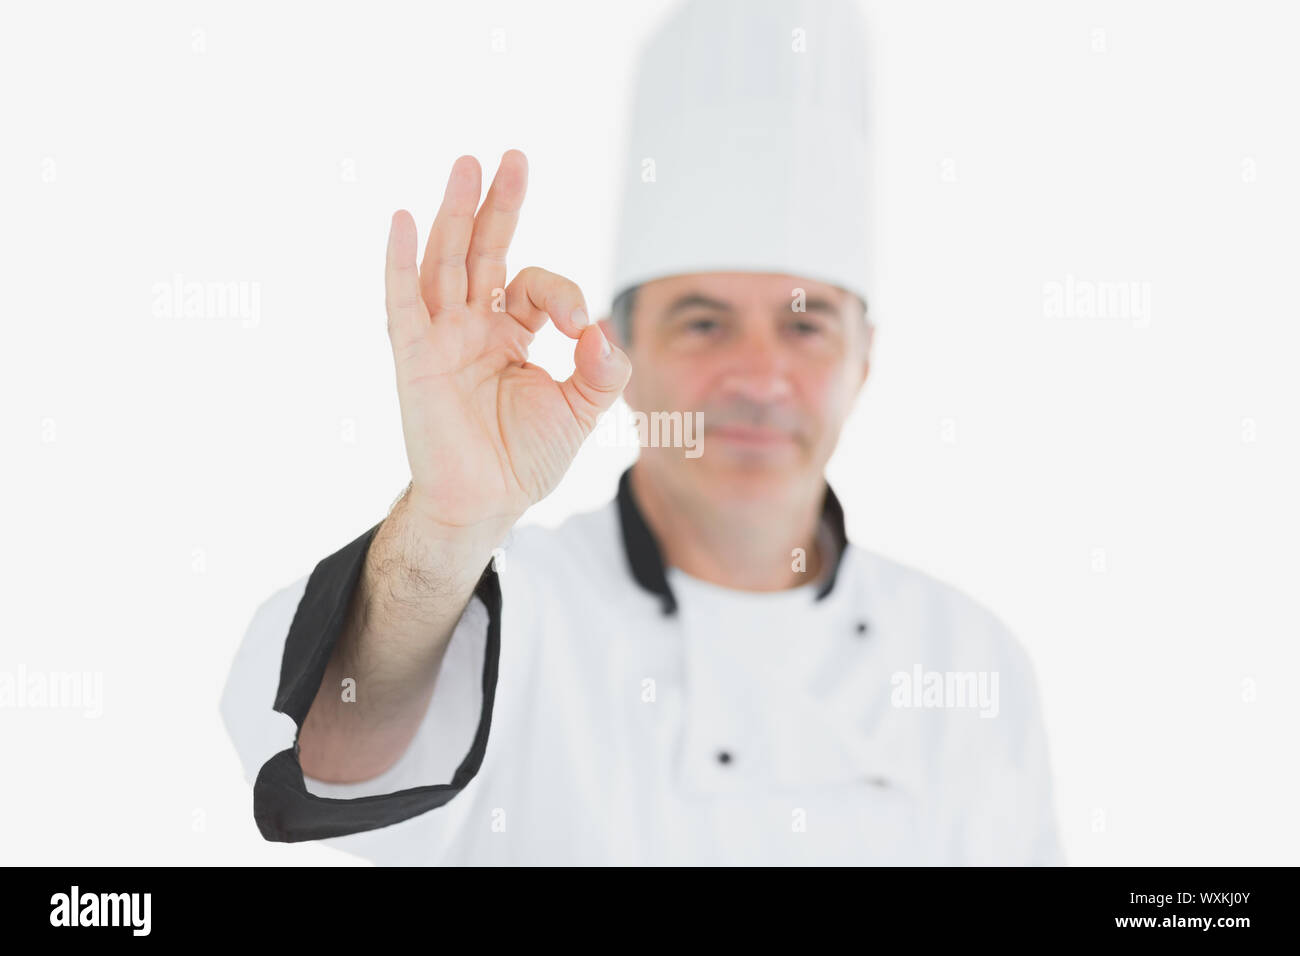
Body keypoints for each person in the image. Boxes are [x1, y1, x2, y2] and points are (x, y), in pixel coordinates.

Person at [220, 0, 1065, 865]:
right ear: (617, 347)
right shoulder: (516, 610)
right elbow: (323, 755)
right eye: (703, 323)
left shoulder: (971, 662)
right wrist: (448, 522)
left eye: (807, 326)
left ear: (866, 360)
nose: (760, 377)